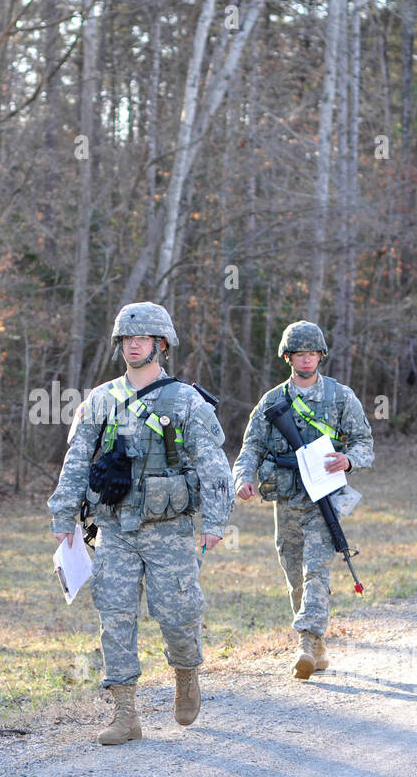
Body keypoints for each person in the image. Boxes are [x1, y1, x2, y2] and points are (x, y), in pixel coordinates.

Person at [47, 302, 233, 745]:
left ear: (160, 344)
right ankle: (125, 715)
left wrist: (216, 519)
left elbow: (213, 465)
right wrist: (63, 512)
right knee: (114, 616)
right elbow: (76, 459)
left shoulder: (185, 400)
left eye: (143, 338)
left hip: (168, 530)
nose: (133, 344)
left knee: (178, 615)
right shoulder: (101, 399)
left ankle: (186, 675)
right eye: (127, 339)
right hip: (113, 528)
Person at [233, 321, 374, 680]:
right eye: (299, 353)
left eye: (312, 353)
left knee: (316, 569)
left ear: (321, 356)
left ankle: (307, 643)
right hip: (287, 499)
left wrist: (349, 459)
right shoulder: (272, 401)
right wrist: (243, 478)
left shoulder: (340, 397)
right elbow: (252, 446)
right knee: (294, 573)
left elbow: (363, 442)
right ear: (288, 357)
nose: (306, 359)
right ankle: (317, 643)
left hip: (323, 499)